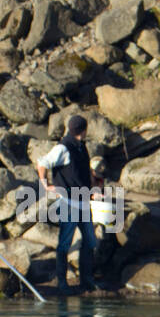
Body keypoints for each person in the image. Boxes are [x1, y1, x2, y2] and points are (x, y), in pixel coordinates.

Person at [36, 114, 98, 293]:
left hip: (83, 201)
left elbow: (84, 170)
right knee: (64, 243)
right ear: (84, 130)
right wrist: (44, 184)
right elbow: (43, 162)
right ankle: (62, 283)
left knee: (90, 241)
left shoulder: (80, 146)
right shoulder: (63, 147)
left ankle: (87, 281)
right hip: (69, 202)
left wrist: (93, 182)